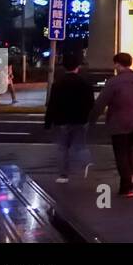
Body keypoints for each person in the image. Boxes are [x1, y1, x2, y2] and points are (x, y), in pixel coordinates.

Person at [87, 52, 133, 199]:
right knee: (129, 152)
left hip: (119, 122)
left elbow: (100, 103)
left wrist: (91, 119)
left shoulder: (114, 82)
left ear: (117, 64)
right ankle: (129, 182)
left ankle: (127, 187)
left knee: (121, 155)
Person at [44, 51, 94, 183]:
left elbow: (52, 104)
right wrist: (88, 117)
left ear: (64, 67)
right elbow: (90, 103)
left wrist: (48, 122)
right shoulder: (84, 83)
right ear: (78, 66)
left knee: (62, 148)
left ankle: (63, 175)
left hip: (61, 120)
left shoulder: (58, 84)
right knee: (80, 145)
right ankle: (86, 164)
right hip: (79, 119)